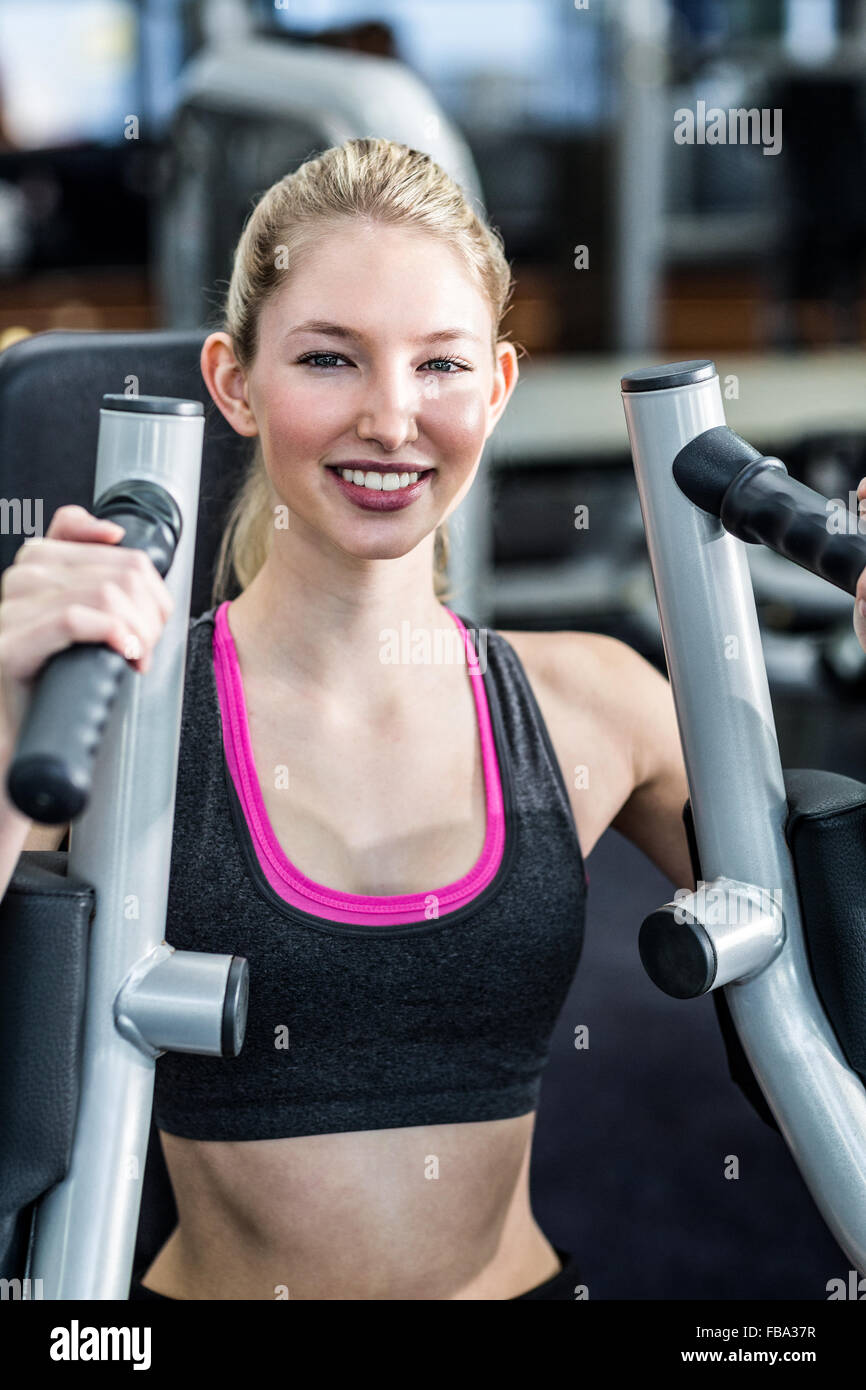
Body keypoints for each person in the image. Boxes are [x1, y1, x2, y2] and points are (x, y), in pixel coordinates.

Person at [1, 138, 866, 1301]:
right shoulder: (123, 706)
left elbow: (845, 990)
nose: (391, 417)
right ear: (234, 382)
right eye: (328, 358)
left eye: (440, 366)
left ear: (497, 387)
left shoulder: (592, 704)